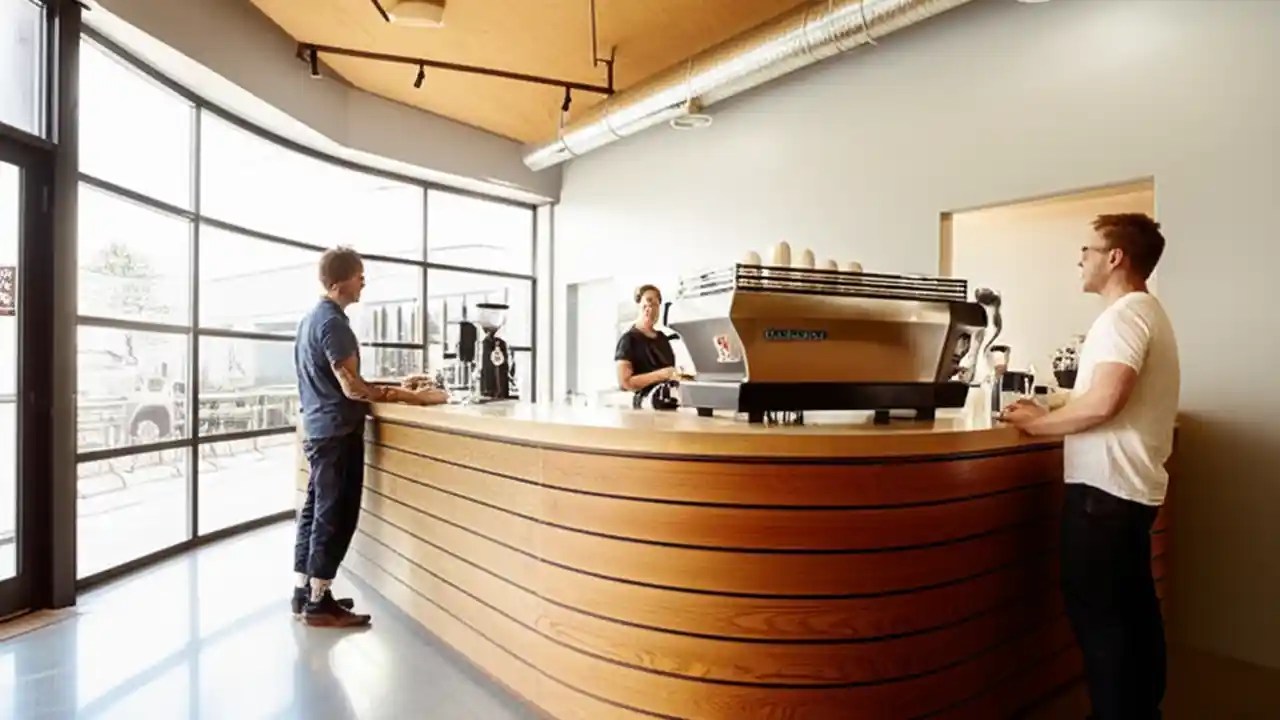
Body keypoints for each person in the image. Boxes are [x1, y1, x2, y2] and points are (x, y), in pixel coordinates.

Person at [1000, 213, 1179, 720]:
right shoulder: (1147, 312)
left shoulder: (1123, 316)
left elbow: (1105, 402)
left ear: (1115, 257)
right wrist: (1054, 408)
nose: (1080, 259)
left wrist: (1036, 424)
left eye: (1087, 249)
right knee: (1133, 615)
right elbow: (1103, 398)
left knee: (1103, 623)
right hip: (1127, 491)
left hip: (1104, 494)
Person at [292, 246, 448, 627]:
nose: (363, 281)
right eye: (359, 275)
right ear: (339, 282)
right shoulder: (334, 324)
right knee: (336, 514)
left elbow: (343, 379)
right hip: (337, 431)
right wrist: (413, 397)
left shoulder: (311, 320)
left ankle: (305, 591)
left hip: (318, 429)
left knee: (315, 511)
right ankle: (319, 601)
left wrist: (395, 385)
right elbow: (351, 387)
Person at [615, 284, 680, 393]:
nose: (651, 308)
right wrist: (661, 375)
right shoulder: (628, 340)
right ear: (638, 305)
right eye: (648, 302)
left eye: (656, 305)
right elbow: (624, 383)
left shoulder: (663, 338)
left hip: (667, 400)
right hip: (642, 405)